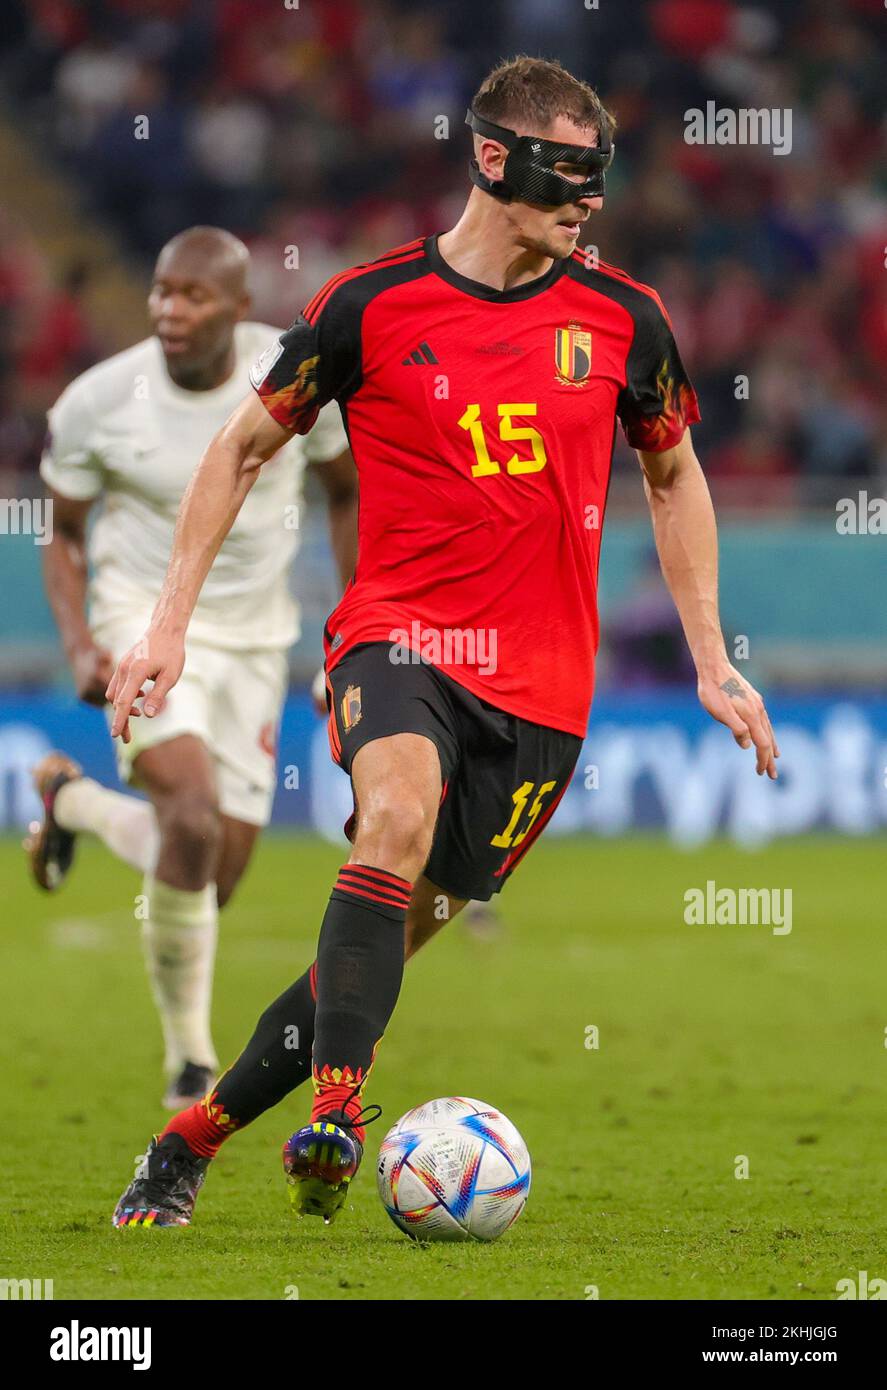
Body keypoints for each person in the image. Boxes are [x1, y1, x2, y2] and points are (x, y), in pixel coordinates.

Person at [106, 59, 778, 1228]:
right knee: (394, 821)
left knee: (371, 953)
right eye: (567, 173)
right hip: (397, 637)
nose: (589, 200)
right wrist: (167, 623)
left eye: (597, 177)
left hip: (544, 698)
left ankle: (189, 1137)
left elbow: (671, 474)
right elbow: (238, 449)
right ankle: (341, 1110)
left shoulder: (623, 319)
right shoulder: (368, 306)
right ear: (489, 158)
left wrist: (711, 658)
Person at [29, 226, 356, 1109]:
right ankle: (191, 1063)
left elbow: (347, 492)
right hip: (145, 620)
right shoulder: (101, 399)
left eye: (194, 297)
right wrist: (81, 645)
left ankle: (74, 801)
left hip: (256, 640)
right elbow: (56, 530)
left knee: (208, 871)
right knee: (191, 815)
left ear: (240, 308)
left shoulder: (291, 374)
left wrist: (350, 625)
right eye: (163, 293)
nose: (171, 311)